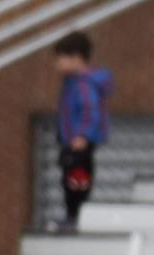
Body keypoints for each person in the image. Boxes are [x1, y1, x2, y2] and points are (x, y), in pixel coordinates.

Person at [50, 31, 112, 234]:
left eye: (61, 59)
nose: (56, 65)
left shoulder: (84, 85)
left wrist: (82, 136)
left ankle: (77, 214)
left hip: (79, 142)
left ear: (76, 58)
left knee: (78, 180)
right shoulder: (72, 83)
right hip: (71, 140)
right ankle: (72, 214)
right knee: (70, 179)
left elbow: (89, 111)